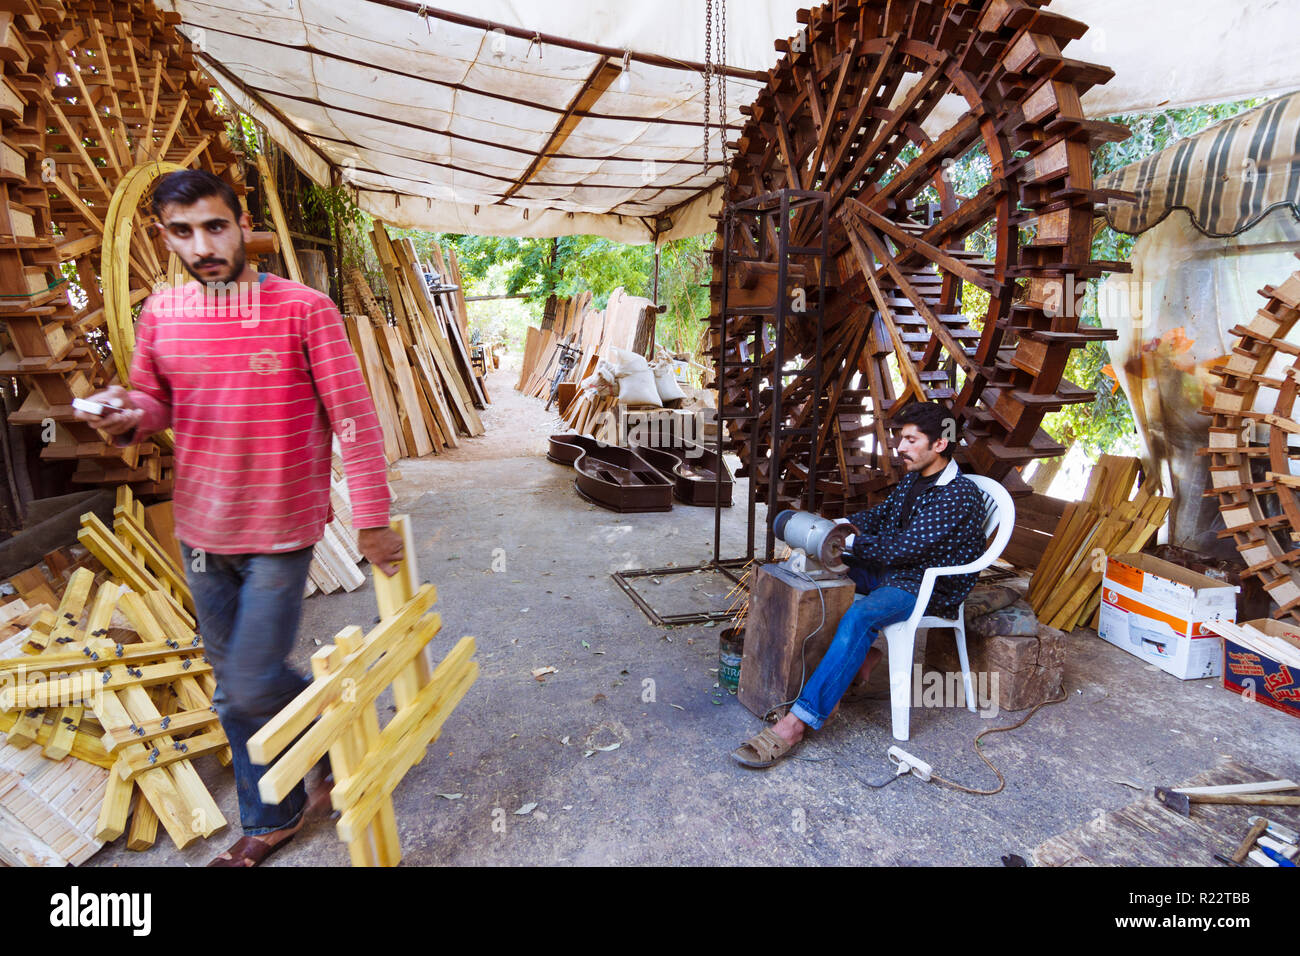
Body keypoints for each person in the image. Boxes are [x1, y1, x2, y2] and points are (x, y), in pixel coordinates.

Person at [74, 169, 404, 865]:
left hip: (280, 527)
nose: (203, 245)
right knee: (232, 692)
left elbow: (354, 416)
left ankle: (326, 722)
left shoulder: (302, 308)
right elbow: (154, 405)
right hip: (201, 528)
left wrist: (372, 517)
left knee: (252, 679)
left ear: (241, 219)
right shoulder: (163, 314)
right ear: (164, 237)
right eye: (183, 232)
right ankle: (270, 815)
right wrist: (122, 418)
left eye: (215, 226)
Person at [731, 402, 991, 768]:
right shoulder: (914, 478)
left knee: (859, 616)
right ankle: (843, 666)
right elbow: (878, 518)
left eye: (911, 439)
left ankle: (796, 724)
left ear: (940, 445)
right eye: (901, 438)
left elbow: (906, 548)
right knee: (818, 576)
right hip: (895, 571)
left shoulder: (957, 495)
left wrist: (847, 543)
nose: (900, 447)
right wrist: (838, 527)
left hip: (926, 586)